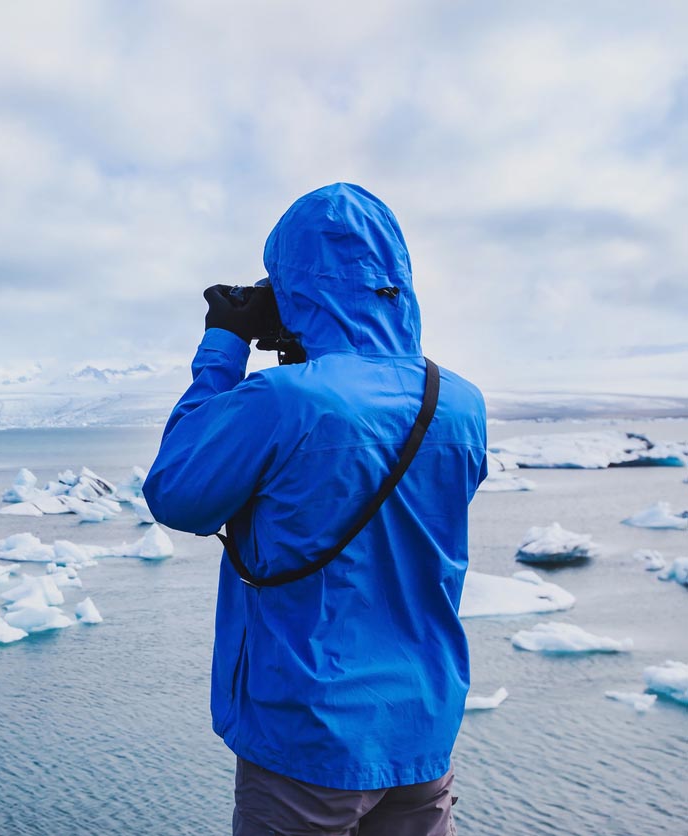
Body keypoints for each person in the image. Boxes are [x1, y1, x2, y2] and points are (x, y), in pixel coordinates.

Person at [142, 183, 487, 835]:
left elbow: (177, 491)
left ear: (298, 287)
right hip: (422, 730)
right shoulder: (461, 403)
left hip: (307, 736)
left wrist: (224, 342)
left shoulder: (284, 401)